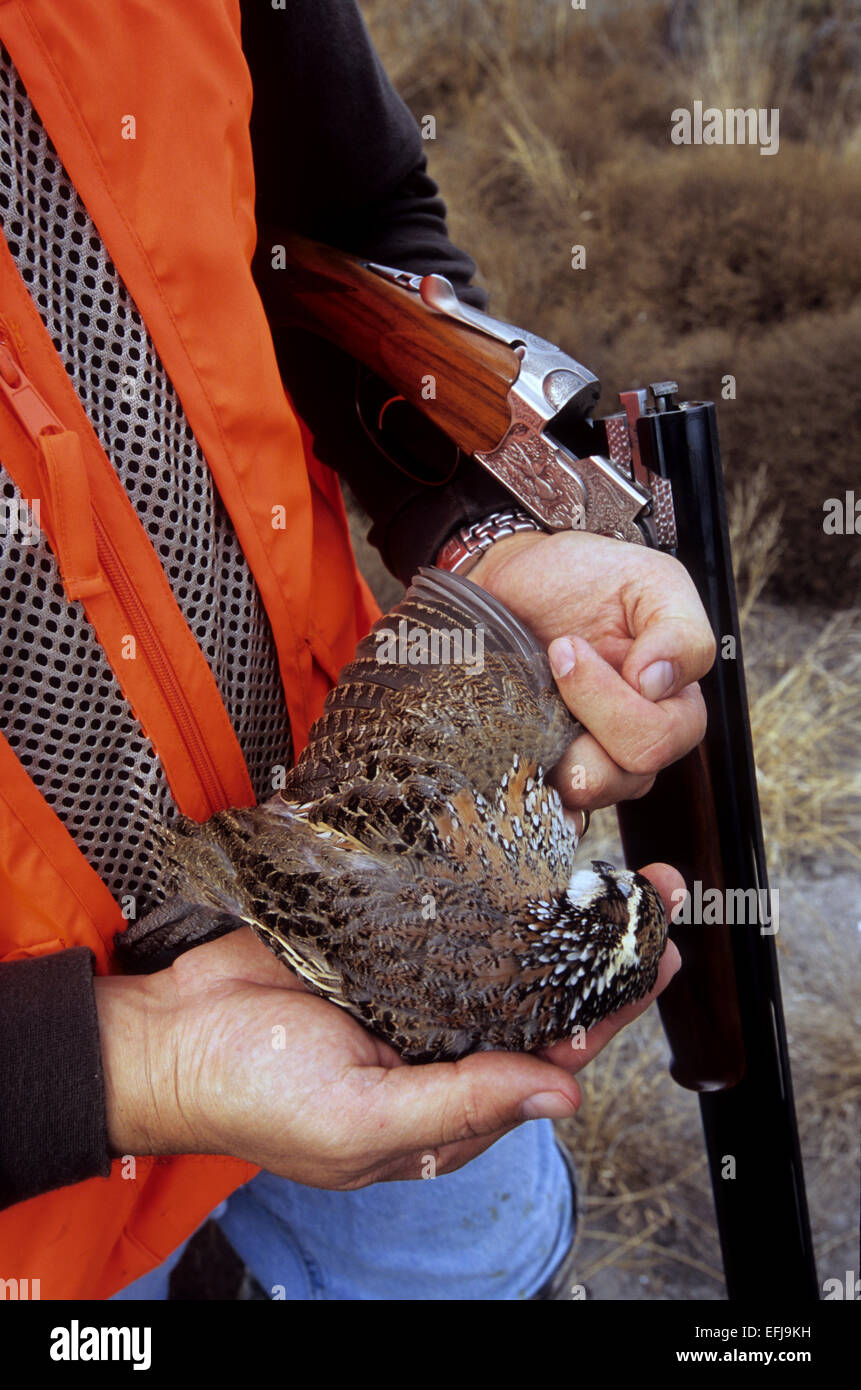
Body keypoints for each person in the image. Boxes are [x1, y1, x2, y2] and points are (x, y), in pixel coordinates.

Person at [0, 0, 711, 1300]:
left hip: (376, 833)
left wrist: (480, 527)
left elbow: (345, 221)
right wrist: (104, 1065)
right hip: (33, 1203)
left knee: (478, 1258)